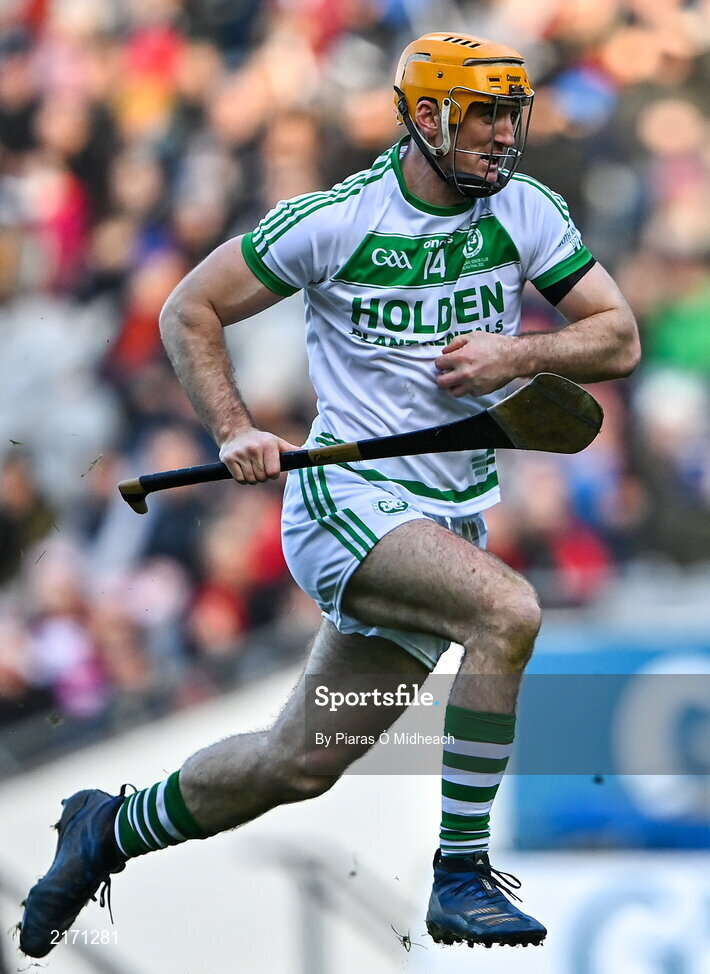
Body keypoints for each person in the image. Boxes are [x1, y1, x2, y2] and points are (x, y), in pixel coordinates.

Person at [19, 31, 640, 957]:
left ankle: (106, 827)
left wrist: (519, 352)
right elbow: (188, 306)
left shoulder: (527, 210)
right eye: (484, 120)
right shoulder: (337, 220)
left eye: (513, 118)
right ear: (426, 118)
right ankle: (460, 874)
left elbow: (618, 338)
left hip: (446, 515)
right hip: (347, 500)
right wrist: (233, 428)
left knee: (299, 762)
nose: (504, 139)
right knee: (506, 611)